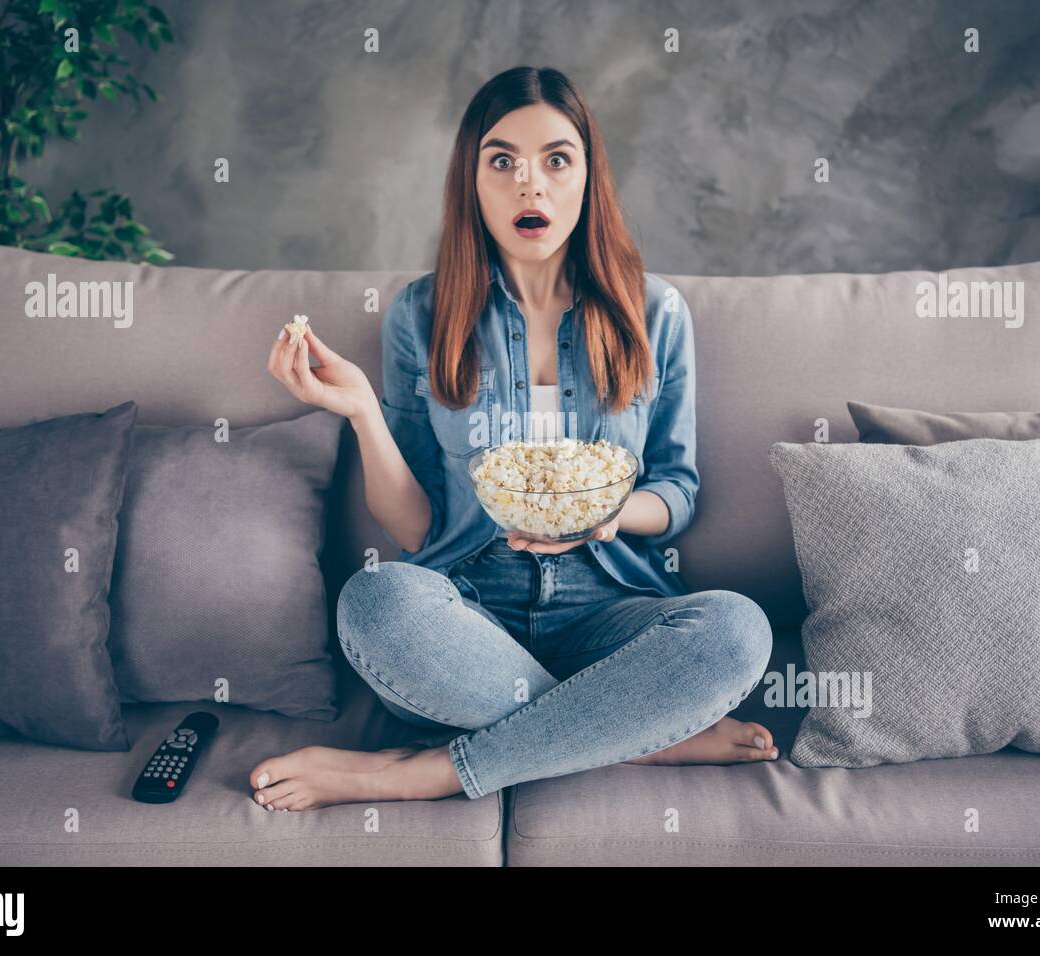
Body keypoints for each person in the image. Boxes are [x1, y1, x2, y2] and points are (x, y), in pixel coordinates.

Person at [251, 66, 775, 811]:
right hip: (469, 613)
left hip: (611, 606)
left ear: (588, 176)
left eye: (557, 160)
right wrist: (363, 410)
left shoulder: (654, 312)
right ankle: (633, 734)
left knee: (738, 632)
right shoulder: (421, 316)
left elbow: (678, 492)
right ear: (473, 181)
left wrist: (611, 515)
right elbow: (417, 525)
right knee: (373, 602)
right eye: (503, 162)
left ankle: (421, 771)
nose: (531, 186)